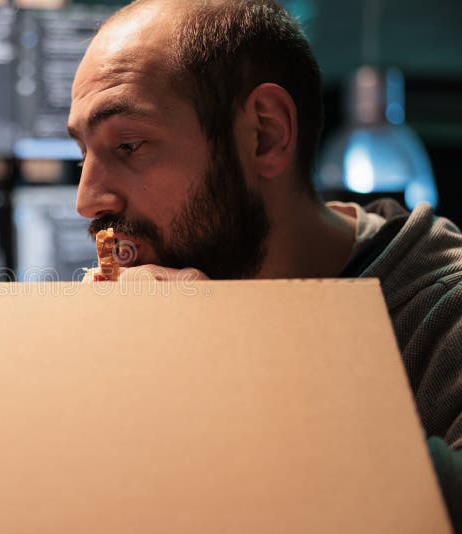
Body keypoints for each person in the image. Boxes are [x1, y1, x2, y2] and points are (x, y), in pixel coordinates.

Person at [68, 0, 462, 525]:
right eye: (83, 156)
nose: (87, 199)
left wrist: (210, 362)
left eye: (129, 144)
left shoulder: (443, 312)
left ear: (265, 134)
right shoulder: (150, 323)